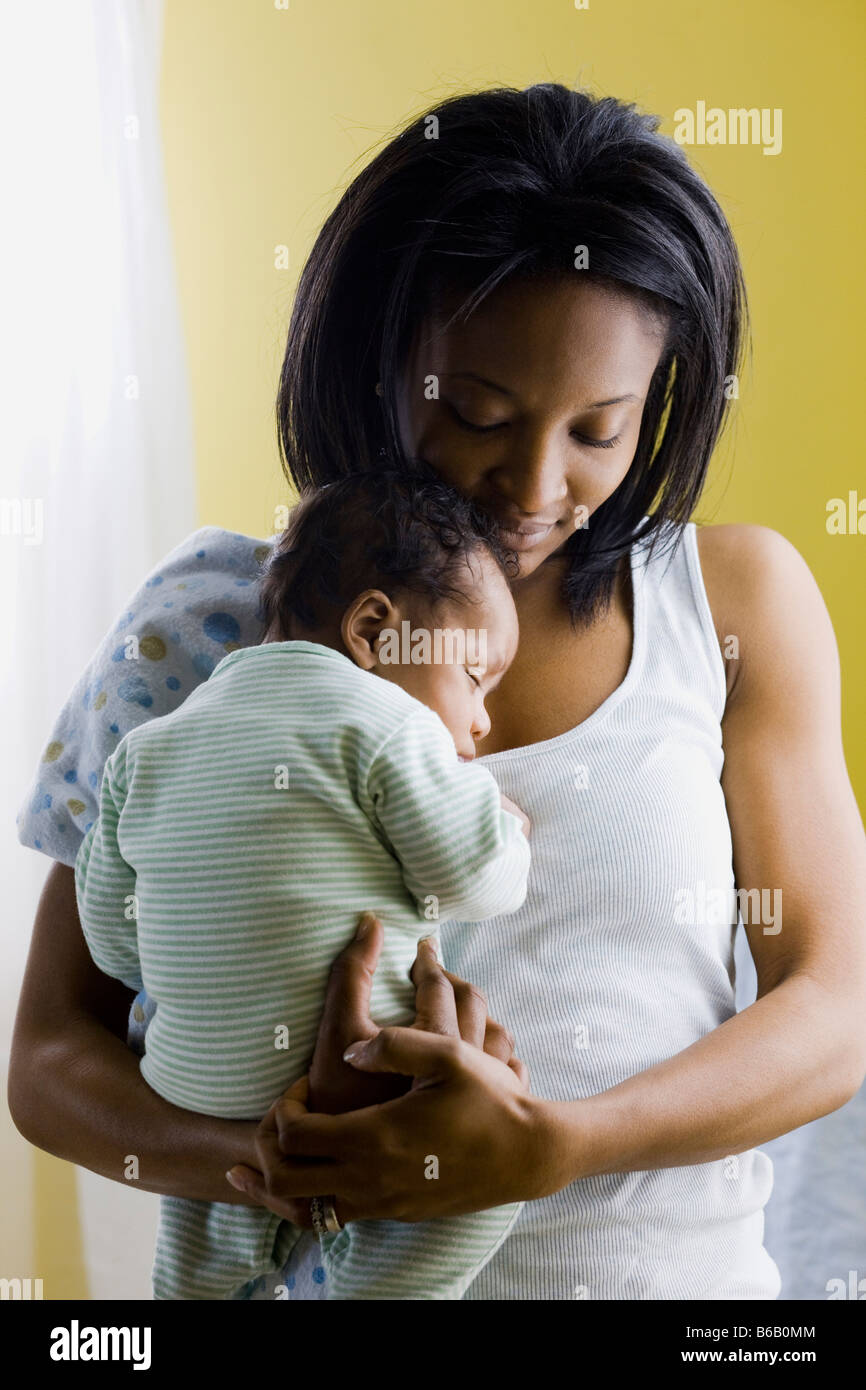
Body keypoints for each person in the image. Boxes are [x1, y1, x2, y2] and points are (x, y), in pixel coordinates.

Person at [12, 83, 866, 1301]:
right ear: (378, 356)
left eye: (597, 430)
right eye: (476, 412)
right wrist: (286, 1160)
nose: (531, 484)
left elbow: (828, 1010)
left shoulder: (726, 602)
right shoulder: (209, 622)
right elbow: (50, 1055)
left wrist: (550, 1145)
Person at [73, 469, 530, 1300]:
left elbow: (112, 943)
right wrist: (504, 825)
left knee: (201, 1242)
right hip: (376, 1078)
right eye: (474, 679)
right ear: (373, 630)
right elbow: (472, 874)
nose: (482, 722)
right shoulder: (389, 724)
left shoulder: (149, 749)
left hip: (198, 1097)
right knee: (491, 1182)